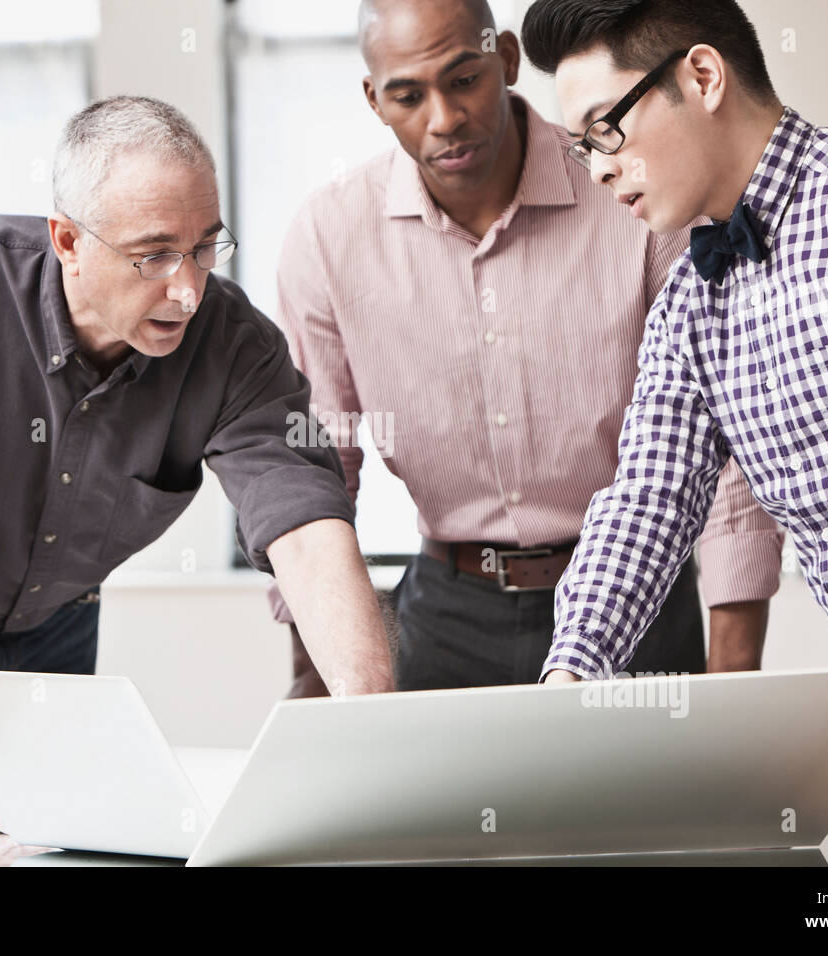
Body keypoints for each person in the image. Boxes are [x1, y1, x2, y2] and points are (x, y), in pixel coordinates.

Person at [0, 95, 395, 830]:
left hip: (50, 610)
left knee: (57, 832)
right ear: (68, 242)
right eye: (155, 255)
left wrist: (372, 737)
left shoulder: (235, 345)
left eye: (206, 247)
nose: (189, 289)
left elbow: (306, 526)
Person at [523, 0, 828, 865]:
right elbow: (648, 503)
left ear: (701, 77)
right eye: (578, 148)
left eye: (605, 131)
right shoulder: (691, 304)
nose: (595, 170)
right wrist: (572, 672)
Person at [269, 0, 785, 696]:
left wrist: (733, 685)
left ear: (506, 60)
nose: (444, 118)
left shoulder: (636, 192)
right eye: (407, 95)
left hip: (640, 599)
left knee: (647, 810)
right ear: (373, 99)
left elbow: (727, 444)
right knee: (433, 809)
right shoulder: (329, 236)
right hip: (445, 614)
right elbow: (316, 470)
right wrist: (316, 676)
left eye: (463, 80)